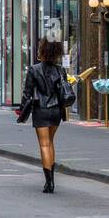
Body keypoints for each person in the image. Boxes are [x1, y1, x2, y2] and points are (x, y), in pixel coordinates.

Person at [19, 39, 71, 193]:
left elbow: (27, 93)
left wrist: (22, 110)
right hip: (56, 111)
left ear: (42, 52)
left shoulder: (34, 70)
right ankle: (52, 180)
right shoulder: (60, 71)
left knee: (44, 144)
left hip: (40, 110)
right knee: (51, 142)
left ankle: (48, 182)